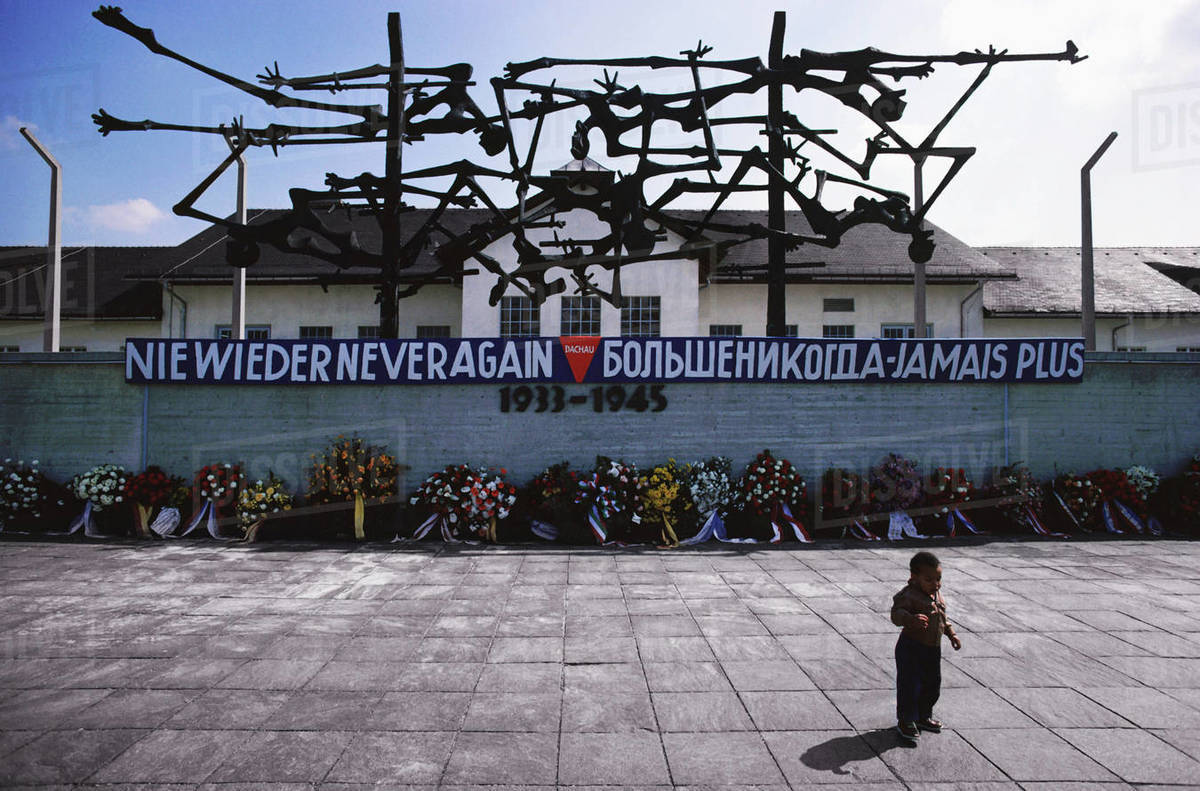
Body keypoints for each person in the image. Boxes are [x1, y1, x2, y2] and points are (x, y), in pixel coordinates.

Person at [890, 550, 961, 745]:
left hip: (932, 648)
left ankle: (923, 715)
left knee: (932, 683)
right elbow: (896, 614)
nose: (935, 584)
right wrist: (910, 619)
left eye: (938, 579)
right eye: (929, 579)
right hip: (911, 646)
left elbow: (942, 618)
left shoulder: (937, 595)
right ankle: (906, 719)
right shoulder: (909, 595)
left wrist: (952, 634)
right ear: (914, 577)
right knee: (910, 684)